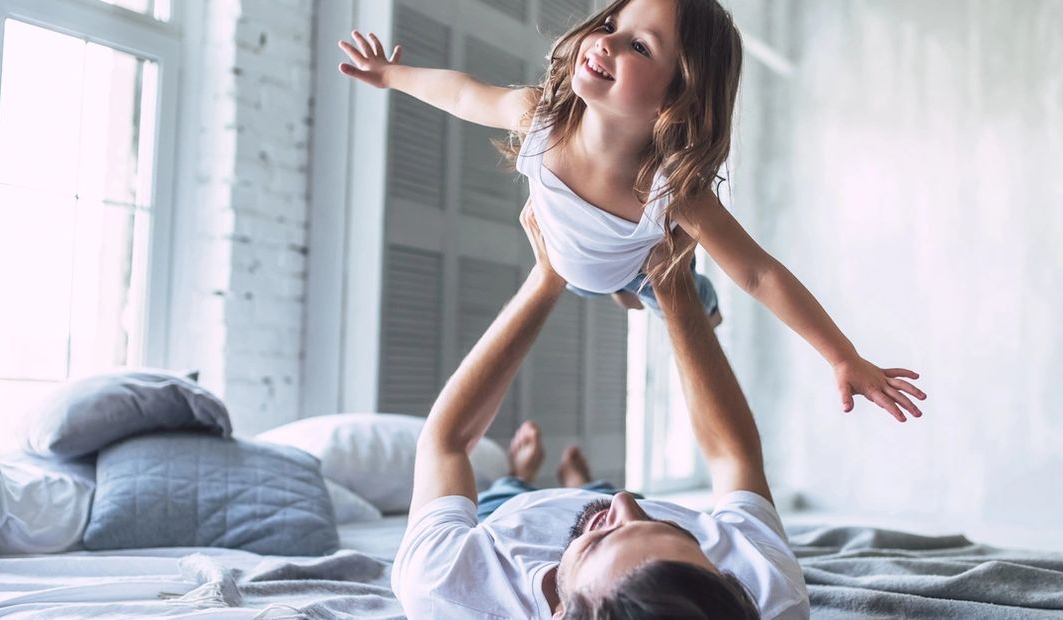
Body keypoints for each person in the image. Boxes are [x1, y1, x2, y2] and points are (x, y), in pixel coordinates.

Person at [338, 0, 927, 422]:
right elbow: (463, 91)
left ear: (679, 94)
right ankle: (618, 290)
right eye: (615, 23)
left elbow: (759, 272)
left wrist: (841, 355)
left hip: (633, 269)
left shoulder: (672, 191)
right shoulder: (539, 118)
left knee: (681, 293)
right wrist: (391, 74)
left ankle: (657, 296)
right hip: (568, 262)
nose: (607, 40)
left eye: (640, 46)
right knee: (602, 285)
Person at [390, 203, 809, 618]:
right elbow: (734, 458)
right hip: (632, 522)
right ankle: (587, 484)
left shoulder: (448, 584)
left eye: (603, 540)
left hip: (504, 520)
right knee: (607, 497)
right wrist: (672, 282)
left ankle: (522, 475)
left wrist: (547, 278)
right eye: (677, 537)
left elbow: (447, 443)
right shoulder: (767, 592)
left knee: (505, 491)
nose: (623, 501)